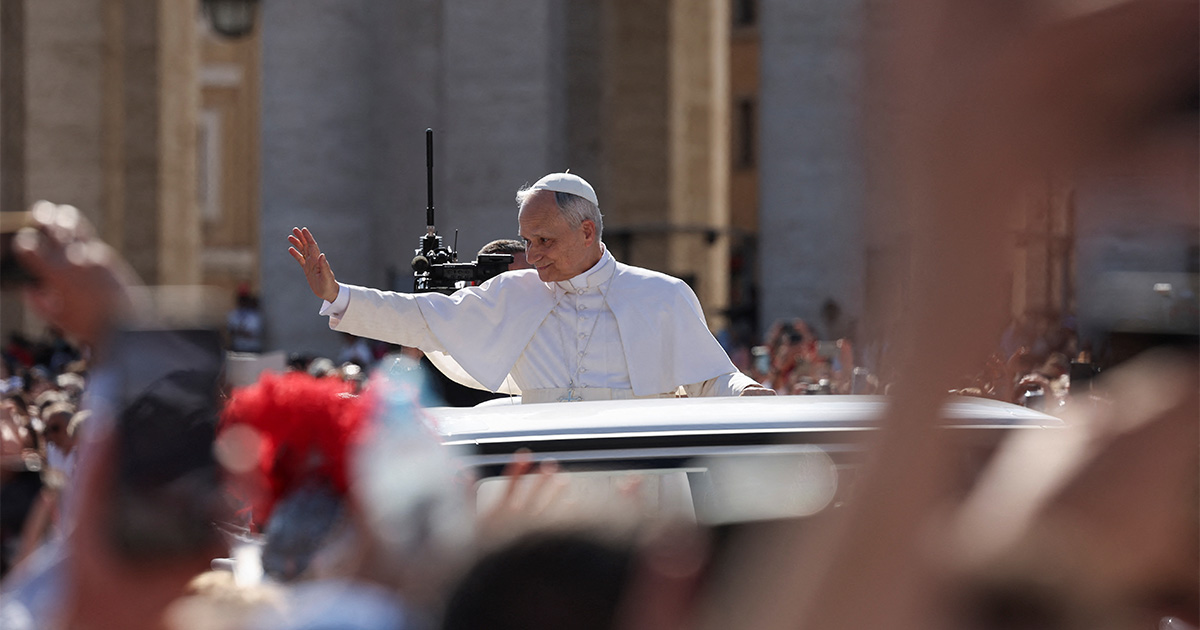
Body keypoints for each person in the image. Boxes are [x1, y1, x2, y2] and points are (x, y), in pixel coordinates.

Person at [289, 173, 773, 402]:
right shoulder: (514, 293)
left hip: (636, 481)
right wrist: (339, 295)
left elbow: (711, 378)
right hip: (547, 477)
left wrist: (747, 390)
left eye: (545, 240)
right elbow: (423, 317)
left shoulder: (662, 296)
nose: (534, 253)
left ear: (587, 232)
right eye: (527, 241)